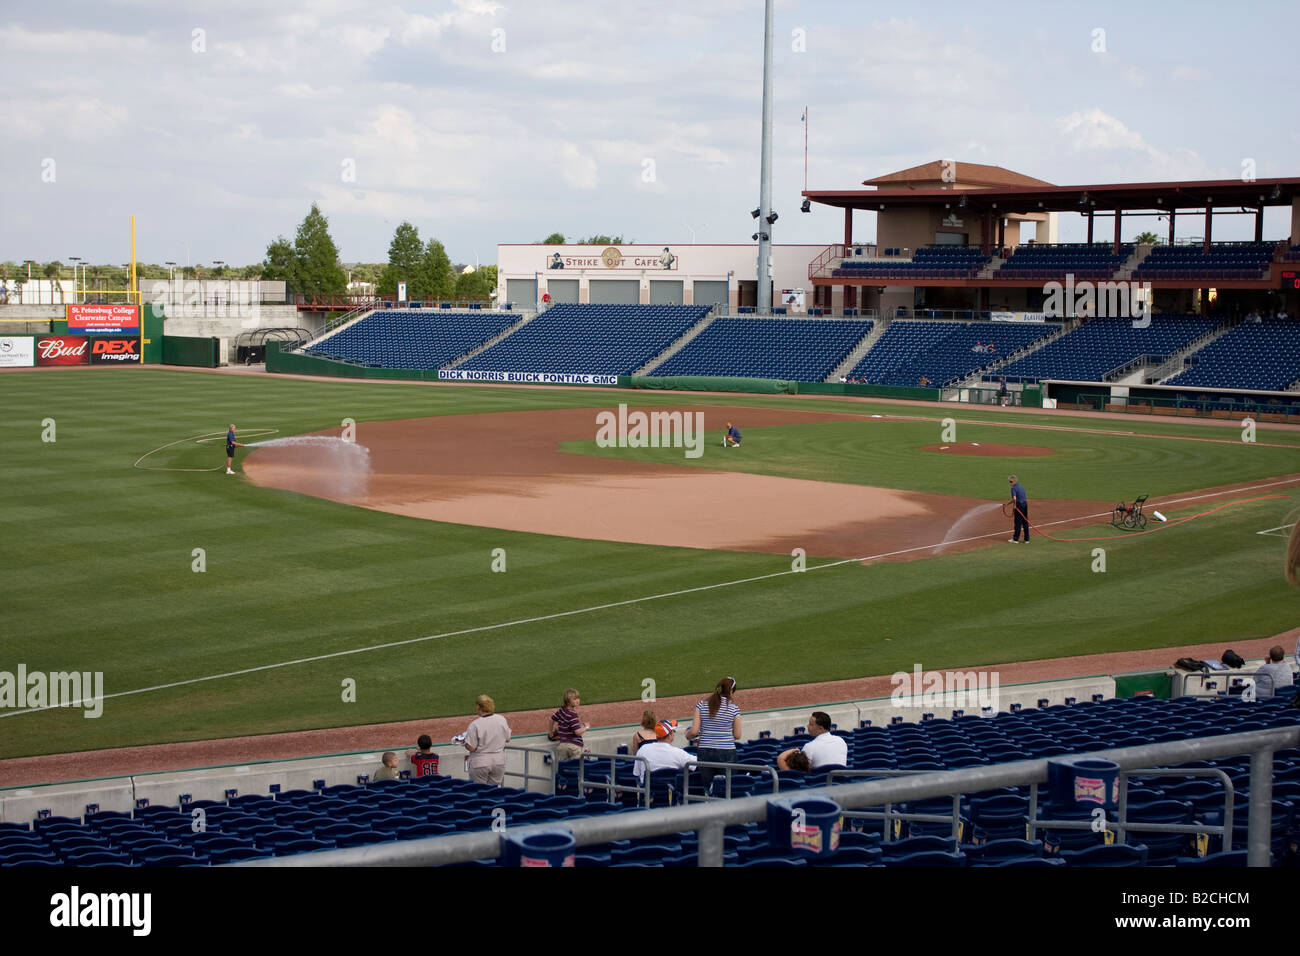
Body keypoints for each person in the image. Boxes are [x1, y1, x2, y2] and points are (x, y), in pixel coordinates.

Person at [685, 677, 741, 786]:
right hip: (727, 752)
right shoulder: (734, 709)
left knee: (708, 786)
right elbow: (737, 735)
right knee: (725, 788)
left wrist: (687, 735)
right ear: (731, 692)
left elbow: (694, 732)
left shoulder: (701, 705)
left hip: (705, 751)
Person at [462, 694, 512, 785]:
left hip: (480, 762)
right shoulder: (501, 719)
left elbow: (471, 747)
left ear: (478, 706)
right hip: (499, 761)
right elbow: (508, 739)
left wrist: (464, 742)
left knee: (479, 791)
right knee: (494, 792)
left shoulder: (475, 724)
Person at [776, 711, 848, 770]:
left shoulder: (809, 747)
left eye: (811, 724)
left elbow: (797, 772)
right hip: (841, 784)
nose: (807, 726)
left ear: (820, 728)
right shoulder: (841, 741)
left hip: (818, 785)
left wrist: (793, 750)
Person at [632, 720, 697, 782]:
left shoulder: (643, 749)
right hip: (671, 792)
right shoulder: (678, 753)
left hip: (648, 792)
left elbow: (637, 773)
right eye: (673, 731)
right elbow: (699, 763)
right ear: (670, 735)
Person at [548, 688, 589, 762]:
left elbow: (551, 719)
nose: (577, 701)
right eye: (574, 699)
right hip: (574, 747)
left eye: (578, 698)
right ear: (568, 701)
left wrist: (551, 733)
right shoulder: (573, 714)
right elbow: (577, 732)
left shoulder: (561, 710)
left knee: (564, 768)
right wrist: (586, 727)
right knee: (576, 768)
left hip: (562, 746)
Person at [1008, 475, 1029, 543]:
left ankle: (1015, 539)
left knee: (1018, 523)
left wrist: (1015, 505)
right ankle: (1027, 539)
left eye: (1011, 481)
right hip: (1025, 504)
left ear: (1014, 481)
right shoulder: (1021, 487)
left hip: (1019, 506)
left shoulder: (1013, 488)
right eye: (1009, 481)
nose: (1010, 483)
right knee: (1025, 521)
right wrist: (1008, 504)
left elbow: (1014, 498)